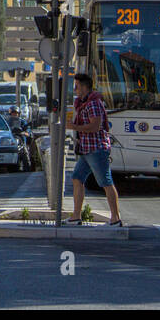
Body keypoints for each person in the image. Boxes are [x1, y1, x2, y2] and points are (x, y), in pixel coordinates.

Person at [66, 72, 123, 226]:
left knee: (105, 182)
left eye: (76, 86)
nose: (75, 89)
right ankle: (76, 216)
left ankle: (116, 218)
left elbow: (95, 126)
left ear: (84, 87)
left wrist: (74, 127)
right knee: (77, 178)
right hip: (86, 149)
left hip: (96, 149)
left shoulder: (93, 103)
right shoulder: (81, 103)